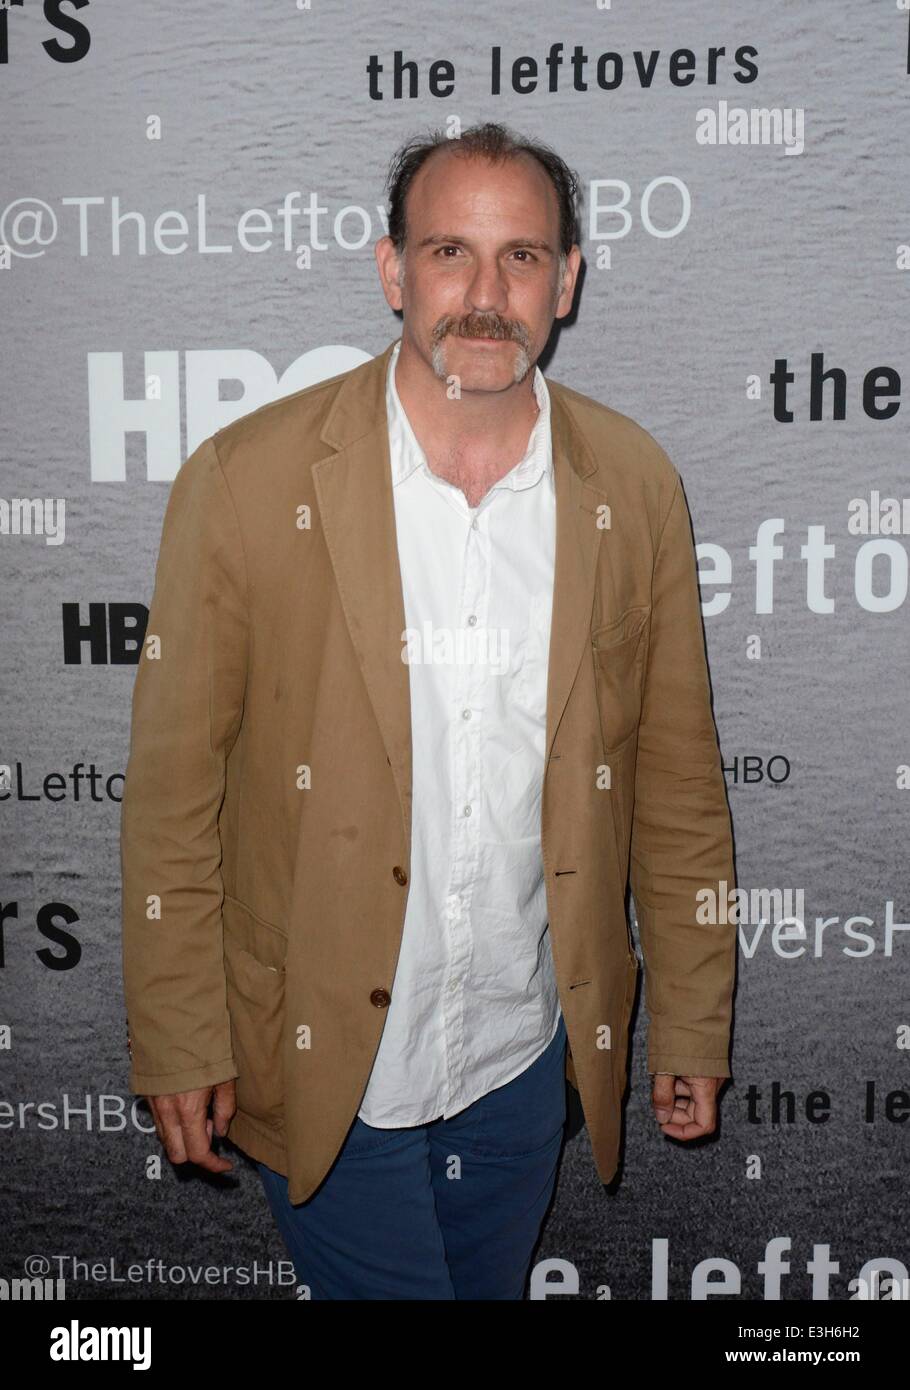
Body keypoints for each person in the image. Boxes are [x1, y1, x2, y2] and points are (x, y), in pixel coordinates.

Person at [120, 121, 737, 1301]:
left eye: (520, 258)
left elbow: (675, 776)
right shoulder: (247, 479)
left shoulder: (633, 483)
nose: (485, 295)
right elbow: (172, 791)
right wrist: (180, 1032)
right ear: (391, 270)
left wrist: (694, 1016)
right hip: (326, 1062)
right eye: (450, 252)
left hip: (518, 1061)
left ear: (566, 280)